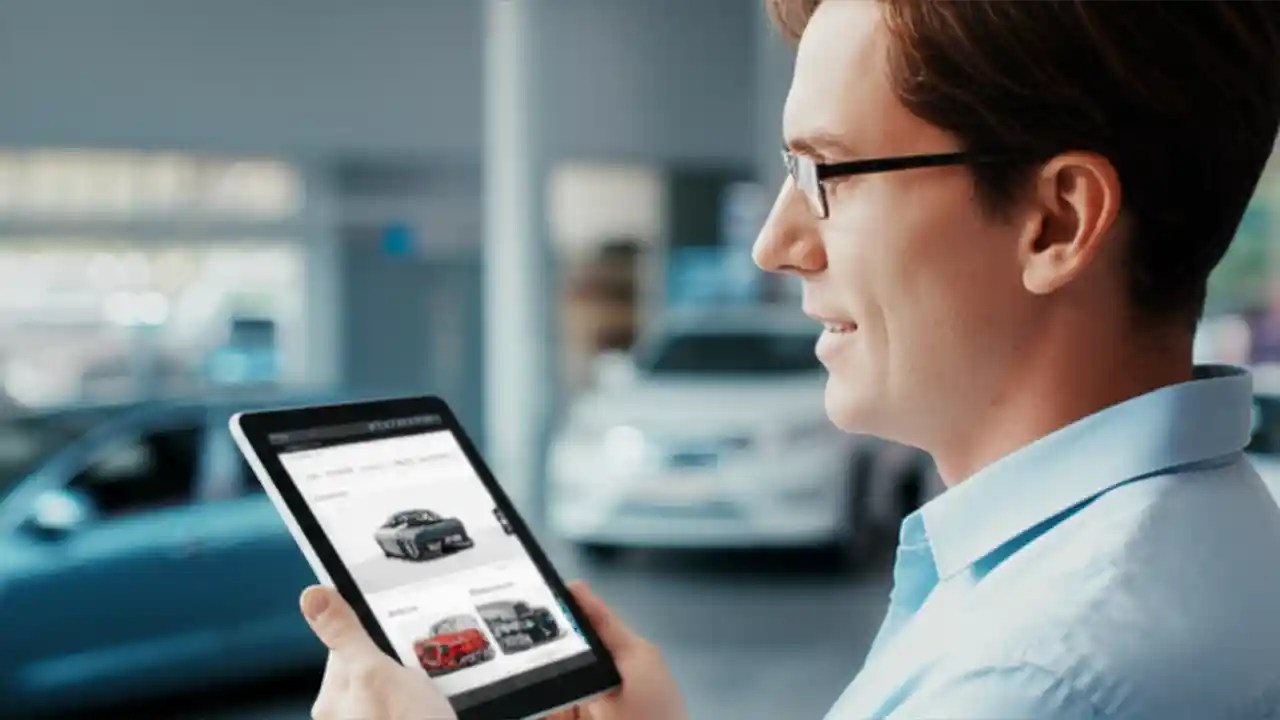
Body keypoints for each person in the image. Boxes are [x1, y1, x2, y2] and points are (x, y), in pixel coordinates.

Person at [296, 1, 1280, 718]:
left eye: (826, 175)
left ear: (1053, 219)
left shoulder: (1026, 681)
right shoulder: (1211, 534)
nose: (775, 244)